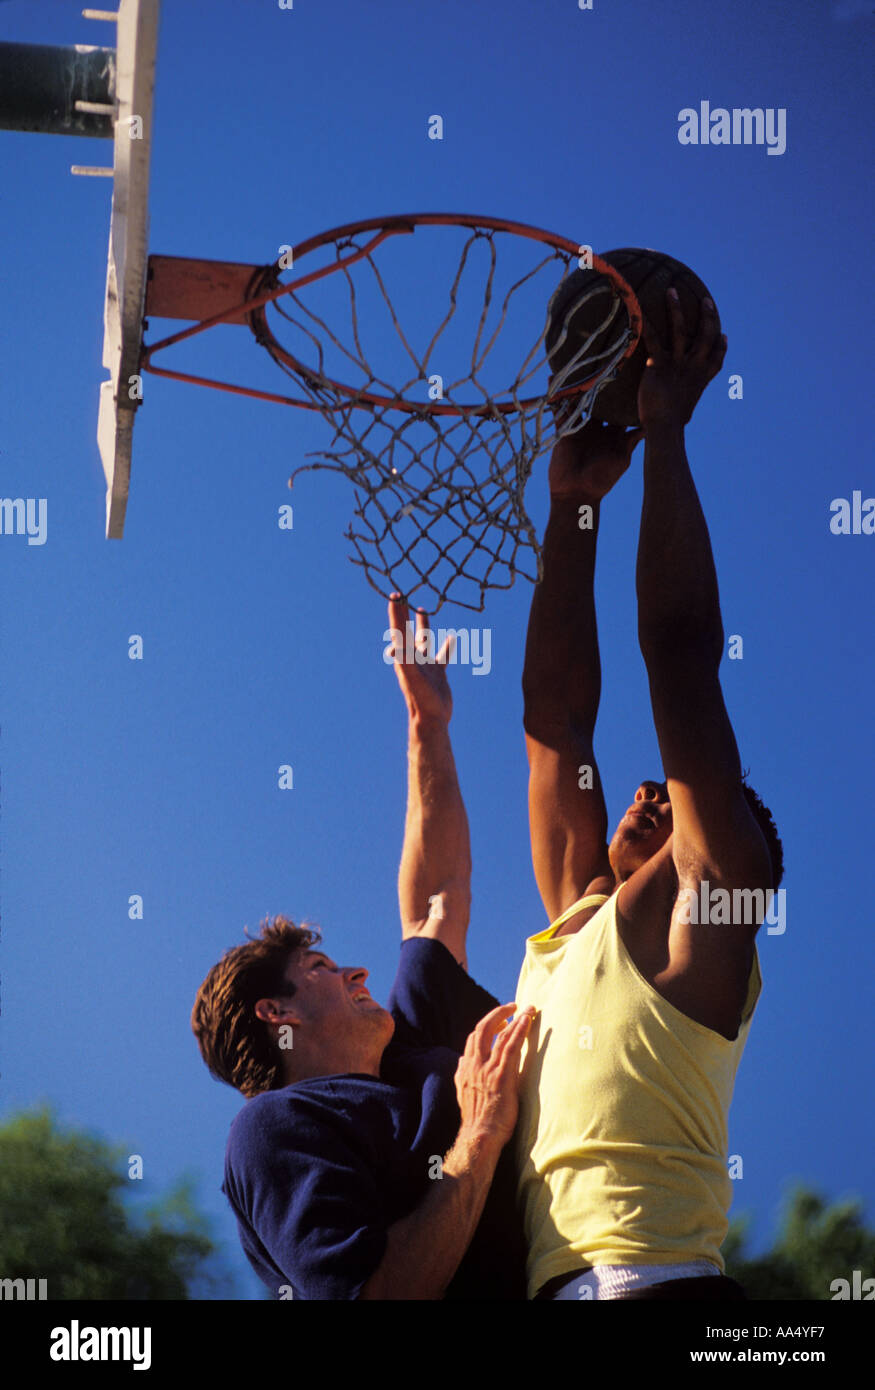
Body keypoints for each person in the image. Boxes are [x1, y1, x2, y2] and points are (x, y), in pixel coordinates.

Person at [517, 288, 784, 1301]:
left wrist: (667, 433)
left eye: (681, 797)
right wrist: (575, 501)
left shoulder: (715, 914)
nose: (650, 787)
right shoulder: (571, 924)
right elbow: (554, 722)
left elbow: (679, 663)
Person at [191, 596, 531, 1300]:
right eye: (318, 967)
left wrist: (426, 724)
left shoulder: (412, 1048)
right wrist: (477, 1139)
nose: (355, 970)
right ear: (275, 1014)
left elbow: (436, 899)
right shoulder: (273, 1128)